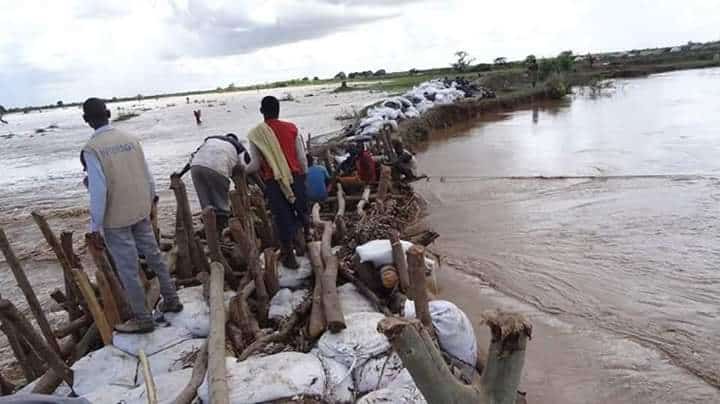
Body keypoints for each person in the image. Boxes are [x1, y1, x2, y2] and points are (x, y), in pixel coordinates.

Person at [81, 98, 182, 334]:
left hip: (116, 217)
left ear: (86, 120)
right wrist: (151, 199)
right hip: (140, 208)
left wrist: (94, 226)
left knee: (127, 268)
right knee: (154, 254)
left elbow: (99, 190)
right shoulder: (131, 139)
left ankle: (143, 318)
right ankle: (172, 299)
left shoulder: (92, 149)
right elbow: (147, 174)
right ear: (108, 113)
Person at [242, 96, 308, 269]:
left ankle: (290, 258)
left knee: (283, 217)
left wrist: (240, 170)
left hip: (275, 182)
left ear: (262, 111)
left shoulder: (256, 134)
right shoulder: (292, 128)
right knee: (300, 211)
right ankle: (305, 245)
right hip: (295, 177)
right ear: (278, 110)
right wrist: (304, 175)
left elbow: (254, 165)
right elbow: (302, 158)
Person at [176, 134, 246, 233]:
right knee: (221, 203)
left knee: (206, 204)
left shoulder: (210, 140)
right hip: (218, 168)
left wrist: (180, 174)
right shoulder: (238, 146)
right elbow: (241, 169)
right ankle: (222, 230)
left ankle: (210, 231)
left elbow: (193, 157)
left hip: (196, 167)